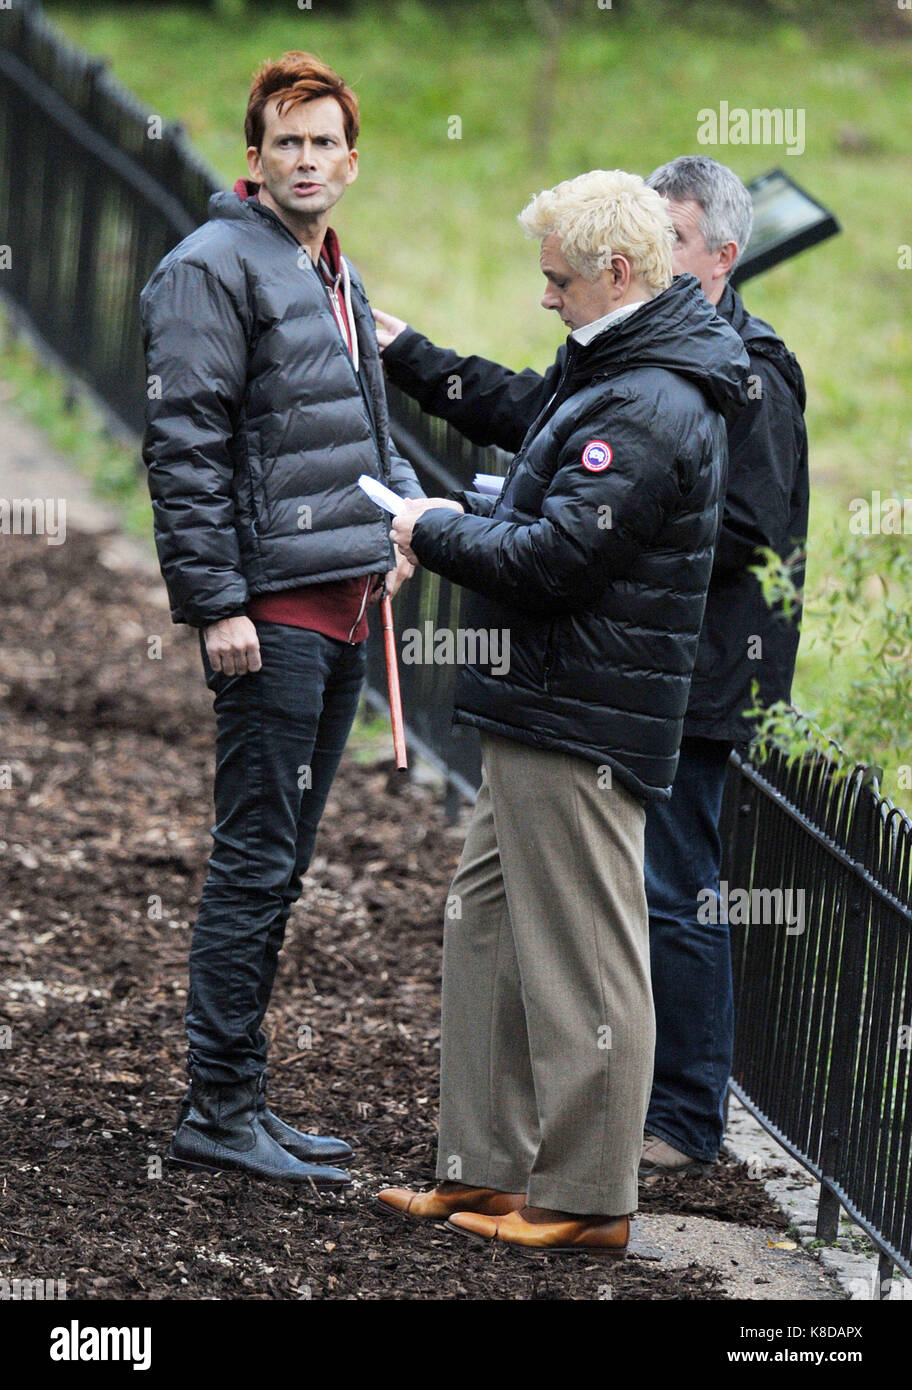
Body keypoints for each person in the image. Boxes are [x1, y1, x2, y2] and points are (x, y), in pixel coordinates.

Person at [374, 169, 749, 1254]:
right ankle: (482, 1167)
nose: (545, 297)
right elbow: (531, 449)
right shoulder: (614, 364)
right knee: (482, 929)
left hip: (581, 714)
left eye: (557, 279)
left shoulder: (653, 397)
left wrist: (432, 526)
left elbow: (558, 558)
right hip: (542, 700)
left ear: (617, 272)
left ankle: (588, 1195)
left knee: (586, 957)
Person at [140, 52, 423, 1184]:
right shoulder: (211, 269)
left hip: (343, 608)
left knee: (285, 859)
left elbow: (363, 421)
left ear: (351, 162)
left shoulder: (334, 274)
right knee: (257, 859)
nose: (306, 159)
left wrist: (395, 531)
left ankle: (242, 1099)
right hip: (273, 617)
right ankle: (219, 1107)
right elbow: (184, 445)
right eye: (285, 140)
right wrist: (216, 603)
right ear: (252, 157)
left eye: (324, 142)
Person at [638, 156, 809, 1177]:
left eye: (671, 241)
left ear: (723, 255)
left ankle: (689, 1117)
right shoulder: (678, 342)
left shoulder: (754, 369)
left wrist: (617, 525)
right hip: (664, 661)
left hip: (708, 673)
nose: (650, 258)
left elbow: (752, 523)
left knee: (680, 890)